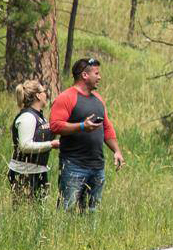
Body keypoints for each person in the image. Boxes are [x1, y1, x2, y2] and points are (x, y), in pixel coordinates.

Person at [49, 57, 125, 211]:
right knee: (67, 210)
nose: (99, 77)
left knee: (92, 212)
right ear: (85, 75)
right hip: (73, 165)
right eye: (96, 73)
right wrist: (82, 126)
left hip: (97, 166)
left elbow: (107, 127)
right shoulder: (66, 97)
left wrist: (116, 151)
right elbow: (55, 126)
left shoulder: (98, 99)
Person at [9, 79, 59, 201]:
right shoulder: (27, 117)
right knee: (24, 214)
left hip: (38, 171)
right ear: (37, 95)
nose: (45, 94)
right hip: (24, 173)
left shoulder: (39, 116)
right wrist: (51, 144)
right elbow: (25, 146)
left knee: (38, 215)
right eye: (44, 91)